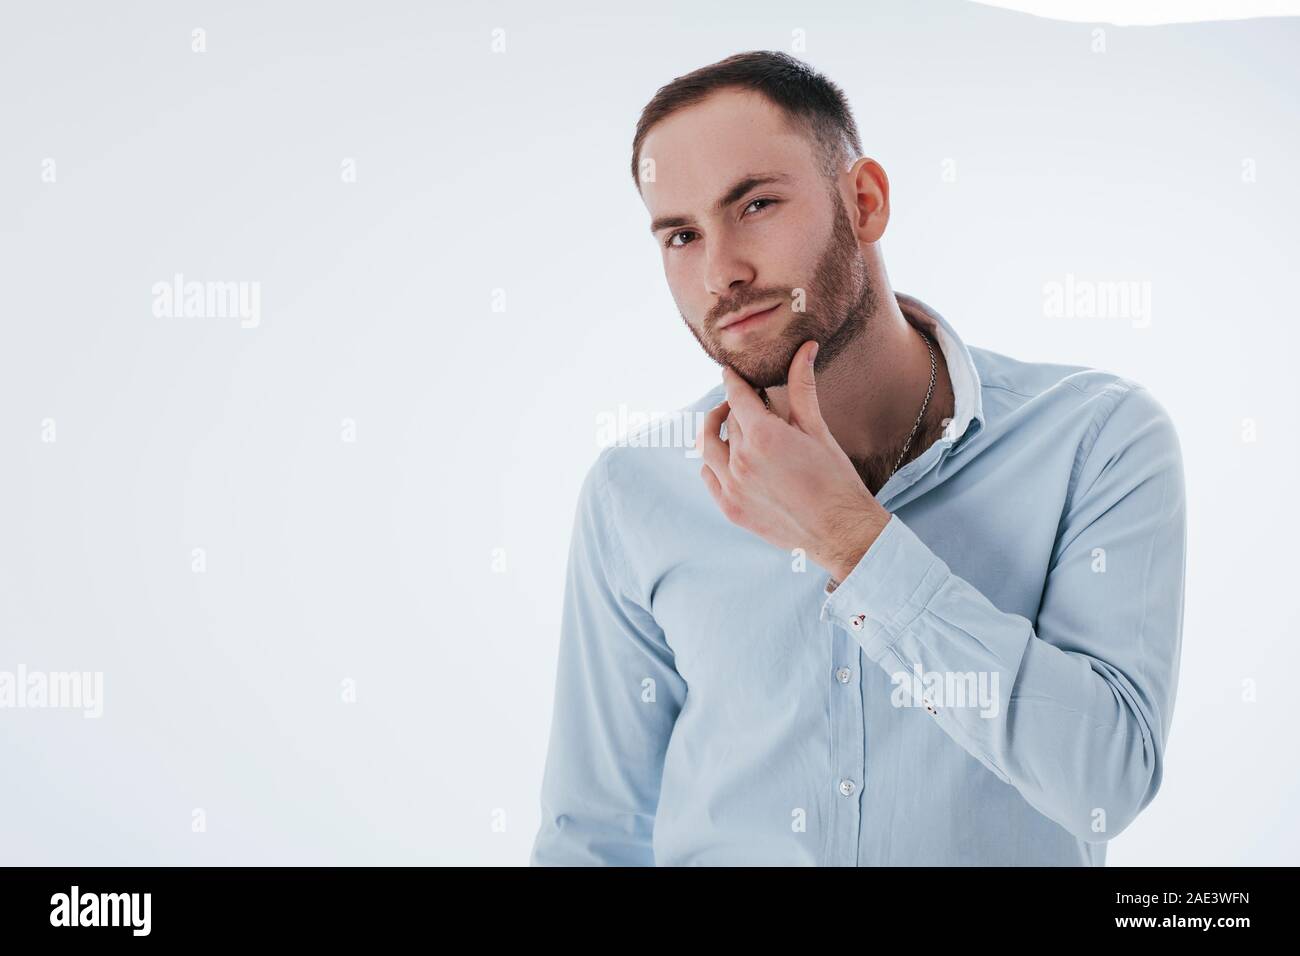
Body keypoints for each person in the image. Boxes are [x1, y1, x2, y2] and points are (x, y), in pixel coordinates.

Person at [530, 50, 1186, 866]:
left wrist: (852, 540)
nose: (722, 271)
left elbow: (1105, 784)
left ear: (864, 201)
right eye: (682, 235)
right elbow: (590, 838)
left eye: (757, 204)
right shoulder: (633, 495)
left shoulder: (1096, 440)